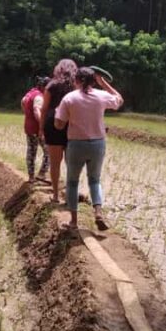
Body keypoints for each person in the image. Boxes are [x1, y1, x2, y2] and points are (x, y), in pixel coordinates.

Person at [54, 66, 123, 231]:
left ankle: (74, 222)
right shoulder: (101, 96)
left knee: (72, 182)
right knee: (95, 180)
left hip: (76, 144)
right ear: (94, 81)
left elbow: (58, 124)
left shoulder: (69, 98)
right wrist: (103, 82)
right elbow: (118, 100)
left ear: (76, 80)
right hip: (97, 144)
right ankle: (98, 212)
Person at [39, 59, 77, 203]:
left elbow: (44, 109)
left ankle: (55, 195)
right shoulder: (75, 86)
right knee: (71, 163)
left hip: (53, 124)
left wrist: (41, 128)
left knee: (55, 163)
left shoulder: (52, 85)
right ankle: (69, 195)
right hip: (71, 124)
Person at [21, 76, 50, 183]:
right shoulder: (39, 97)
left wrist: (27, 115)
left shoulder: (30, 93)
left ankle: (31, 177)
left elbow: (23, 102)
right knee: (49, 151)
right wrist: (42, 126)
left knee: (31, 152)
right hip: (37, 129)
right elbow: (36, 110)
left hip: (28, 127)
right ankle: (42, 173)